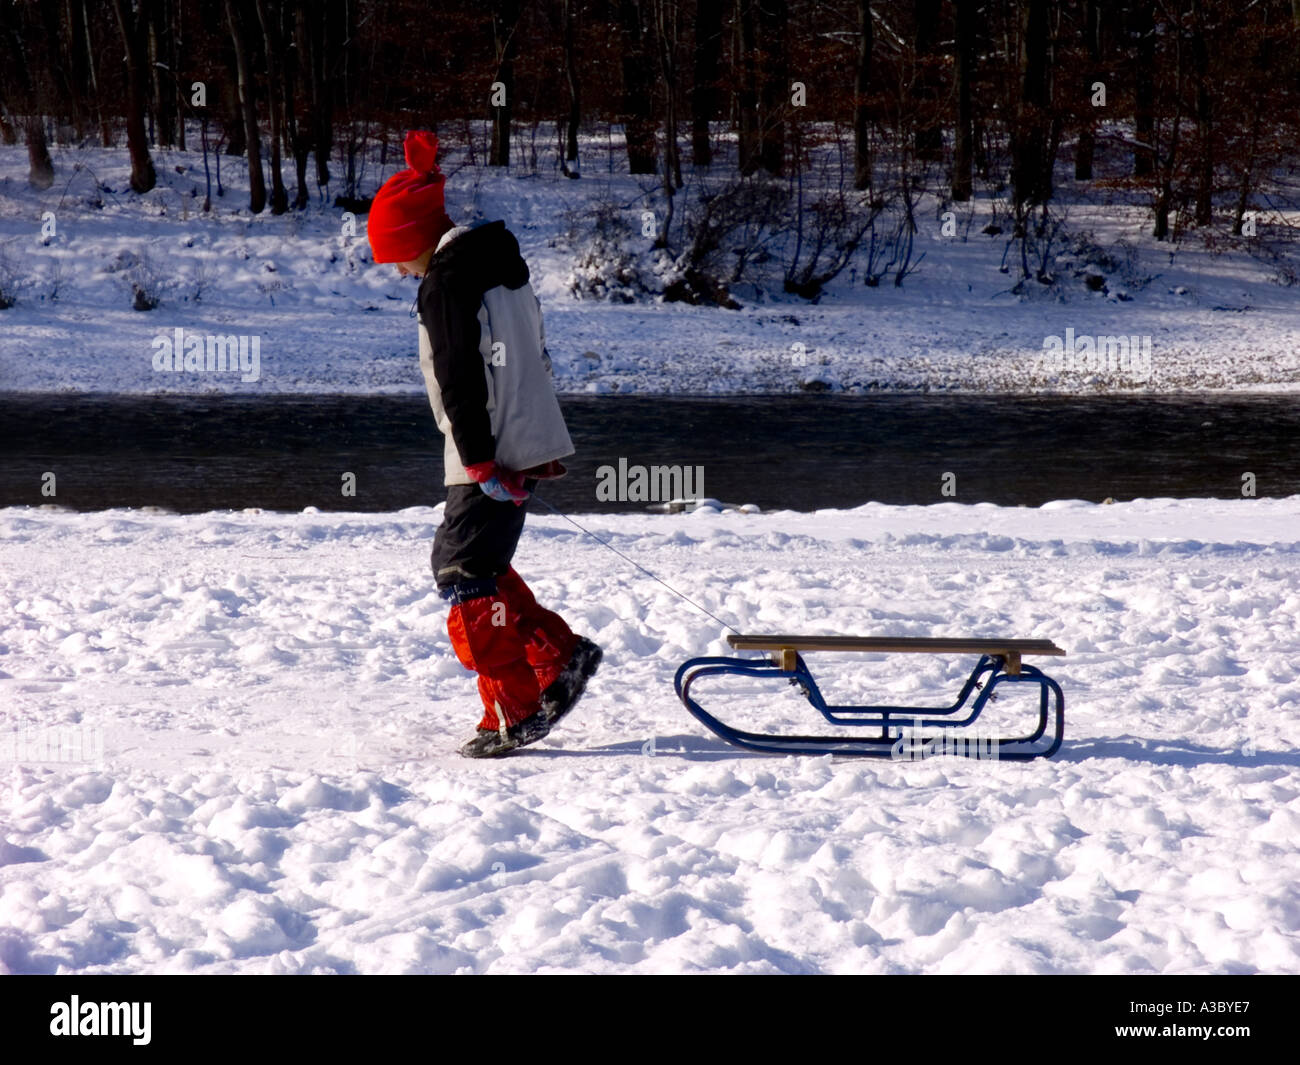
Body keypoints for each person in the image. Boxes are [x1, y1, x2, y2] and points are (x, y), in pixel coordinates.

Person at [367, 130, 601, 758]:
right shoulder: (497, 264)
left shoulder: (445, 284)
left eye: (394, 254)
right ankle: (559, 655)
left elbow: (460, 376)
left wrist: (476, 458)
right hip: (520, 436)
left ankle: (514, 708)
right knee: (479, 566)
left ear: (415, 239)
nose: (395, 268)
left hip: (488, 449)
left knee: (462, 570)